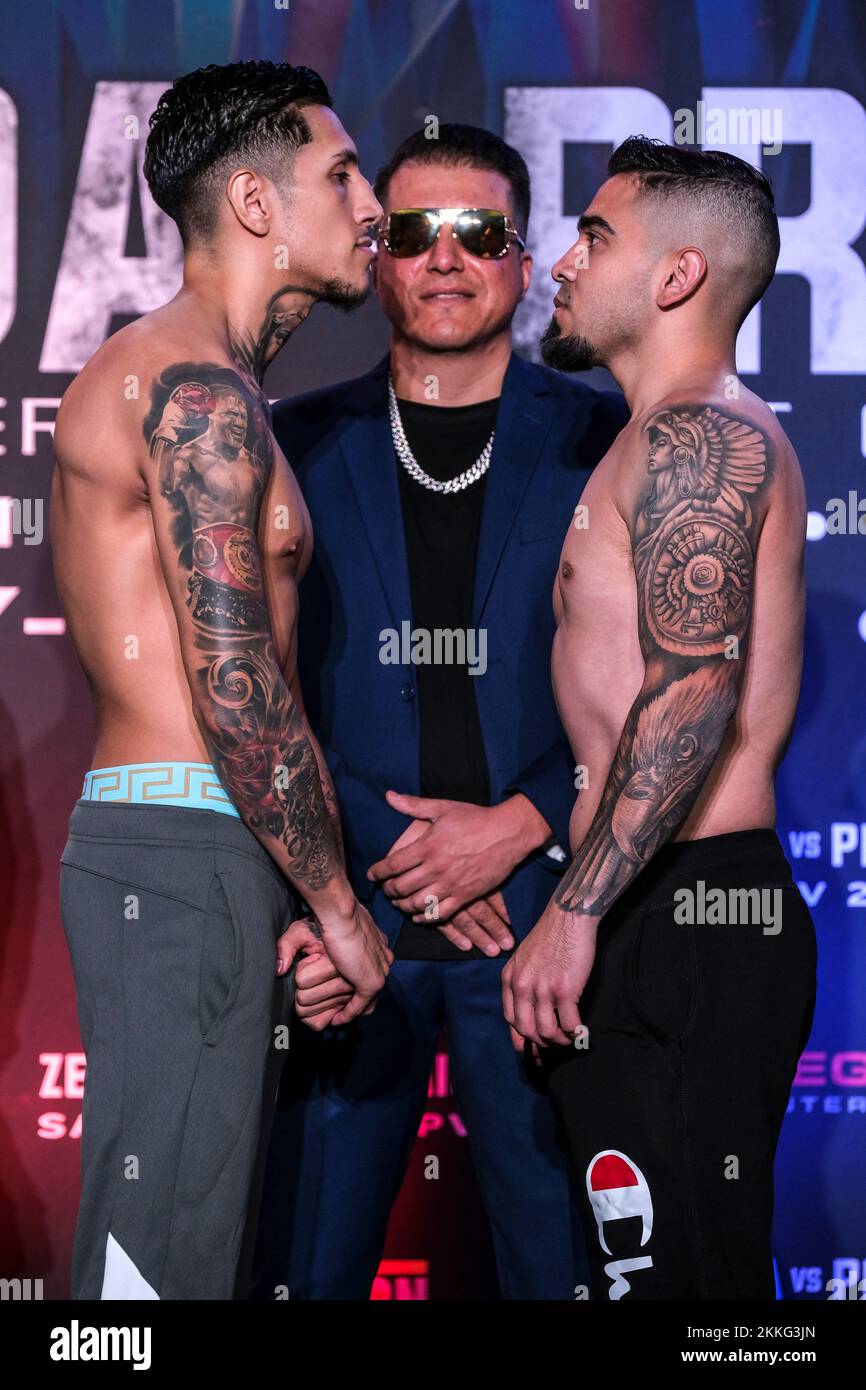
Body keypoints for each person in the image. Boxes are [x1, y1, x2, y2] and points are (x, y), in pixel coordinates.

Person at [252, 124, 628, 1301]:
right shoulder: (290, 441)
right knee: (299, 1267)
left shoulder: (603, 441)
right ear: (376, 259)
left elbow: (661, 693)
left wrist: (521, 823)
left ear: (524, 262)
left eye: (482, 234)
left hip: (545, 928)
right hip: (344, 920)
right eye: (413, 232)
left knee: (560, 1269)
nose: (447, 259)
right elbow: (259, 689)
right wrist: (398, 851)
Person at [50, 59, 390, 1301]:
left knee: (179, 1256)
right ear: (254, 203)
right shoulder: (195, 393)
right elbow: (235, 683)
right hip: (179, 854)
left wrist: (290, 886)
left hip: (199, 853)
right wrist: (339, 906)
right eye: (342, 174)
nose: (373, 206)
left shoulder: (216, 382)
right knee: (151, 1277)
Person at [503, 136, 817, 1300]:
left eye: (594, 237)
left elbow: (691, 692)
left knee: (691, 1294)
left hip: (691, 909)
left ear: (678, 275)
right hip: (642, 901)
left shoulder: (702, 436)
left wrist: (575, 911)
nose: (559, 265)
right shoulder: (647, 438)